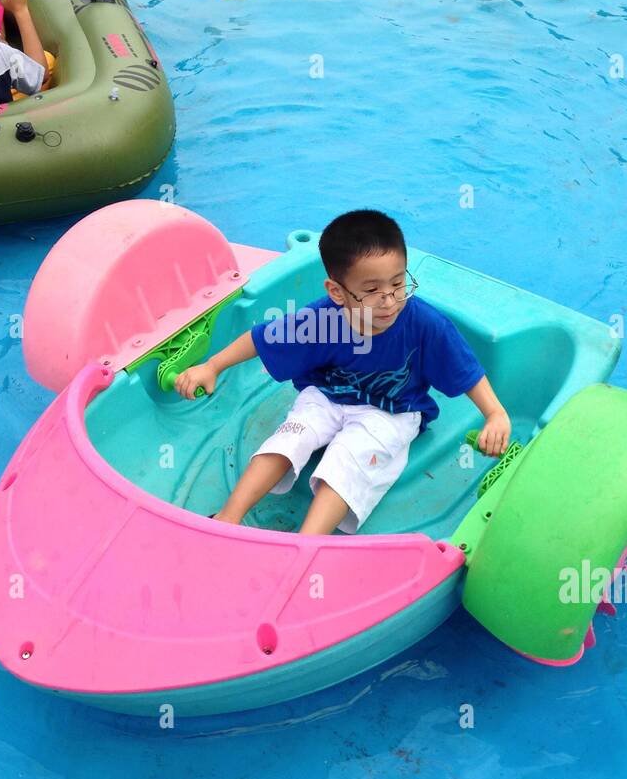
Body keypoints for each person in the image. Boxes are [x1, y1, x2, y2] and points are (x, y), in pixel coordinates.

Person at [175, 209, 512, 535]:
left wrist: (495, 414)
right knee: (291, 436)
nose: (389, 301)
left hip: (394, 410)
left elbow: (467, 371)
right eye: (371, 291)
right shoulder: (322, 320)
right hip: (328, 393)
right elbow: (263, 338)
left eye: (398, 284)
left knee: (347, 460)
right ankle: (226, 519)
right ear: (336, 292)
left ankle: (304, 546)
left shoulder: (426, 325)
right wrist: (212, 365)